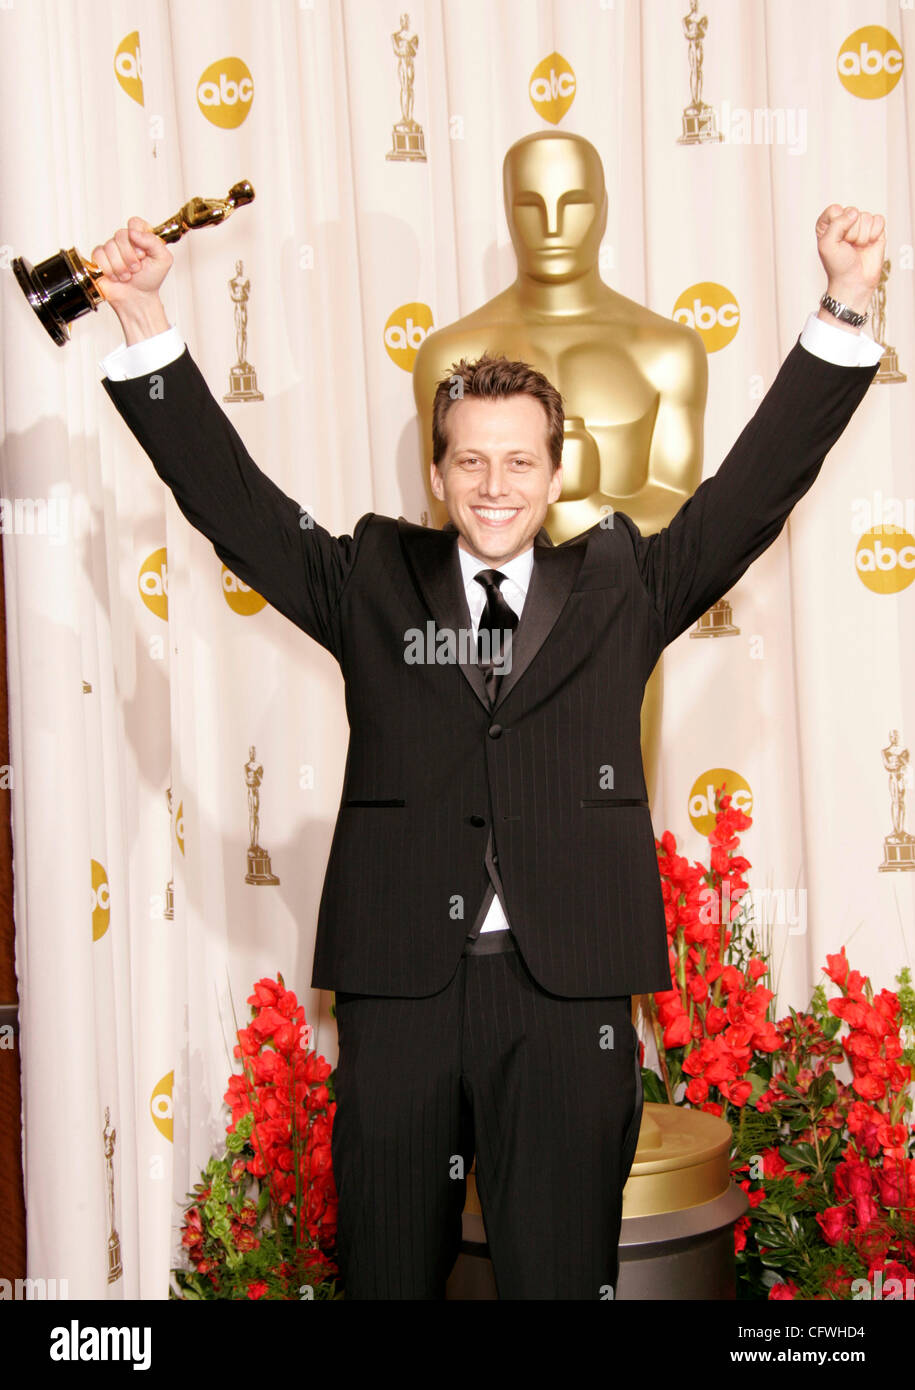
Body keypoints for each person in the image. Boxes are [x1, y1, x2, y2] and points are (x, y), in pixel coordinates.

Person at [93, 203, 885, 1299]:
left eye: (521, 461)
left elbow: (755, 491)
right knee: (387, 1277)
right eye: (473, 462)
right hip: (402, 994)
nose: (497, 484)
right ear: (438, 472)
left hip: (565, 999)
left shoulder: (624, 585)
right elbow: (235, 507)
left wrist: (845, 306)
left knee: (559, 1281)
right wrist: (142, 314)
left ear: (557, 475)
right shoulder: (369, 578)